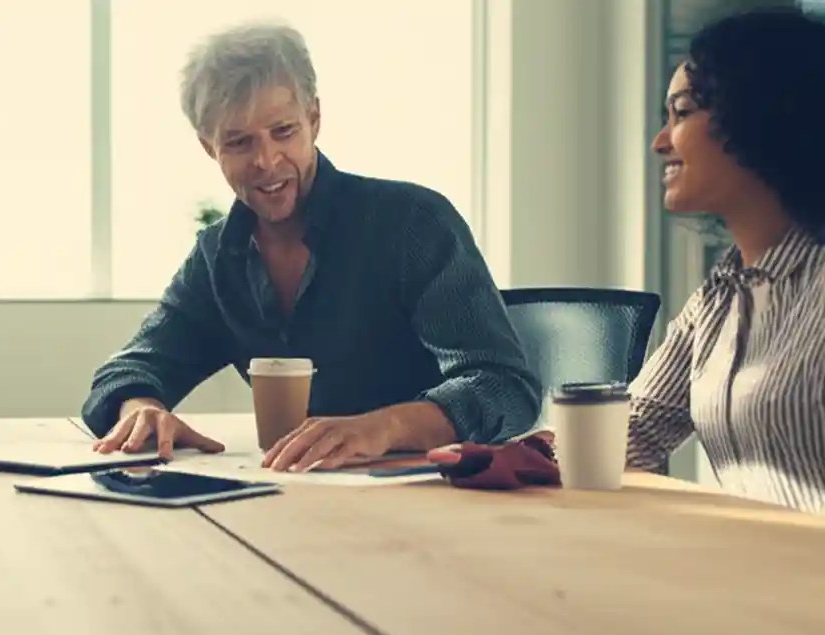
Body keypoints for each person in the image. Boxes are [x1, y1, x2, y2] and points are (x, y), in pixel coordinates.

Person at [82, 21, 540, 472]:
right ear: (209, 147)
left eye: (283, 131)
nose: (266, 161)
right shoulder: (218, 257)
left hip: (432, 497)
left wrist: (382, 428)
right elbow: (126, 371)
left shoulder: (413, 223)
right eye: (239, 142)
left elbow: (504, 387)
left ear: (314, 119)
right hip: (293, 495)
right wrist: (140, 408)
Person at [626, 8, 825, 512]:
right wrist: (499, 457)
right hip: (751, 556)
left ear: (760, 114)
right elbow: (635, 430)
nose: (660, 142)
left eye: (682, 112)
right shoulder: (720, 294)